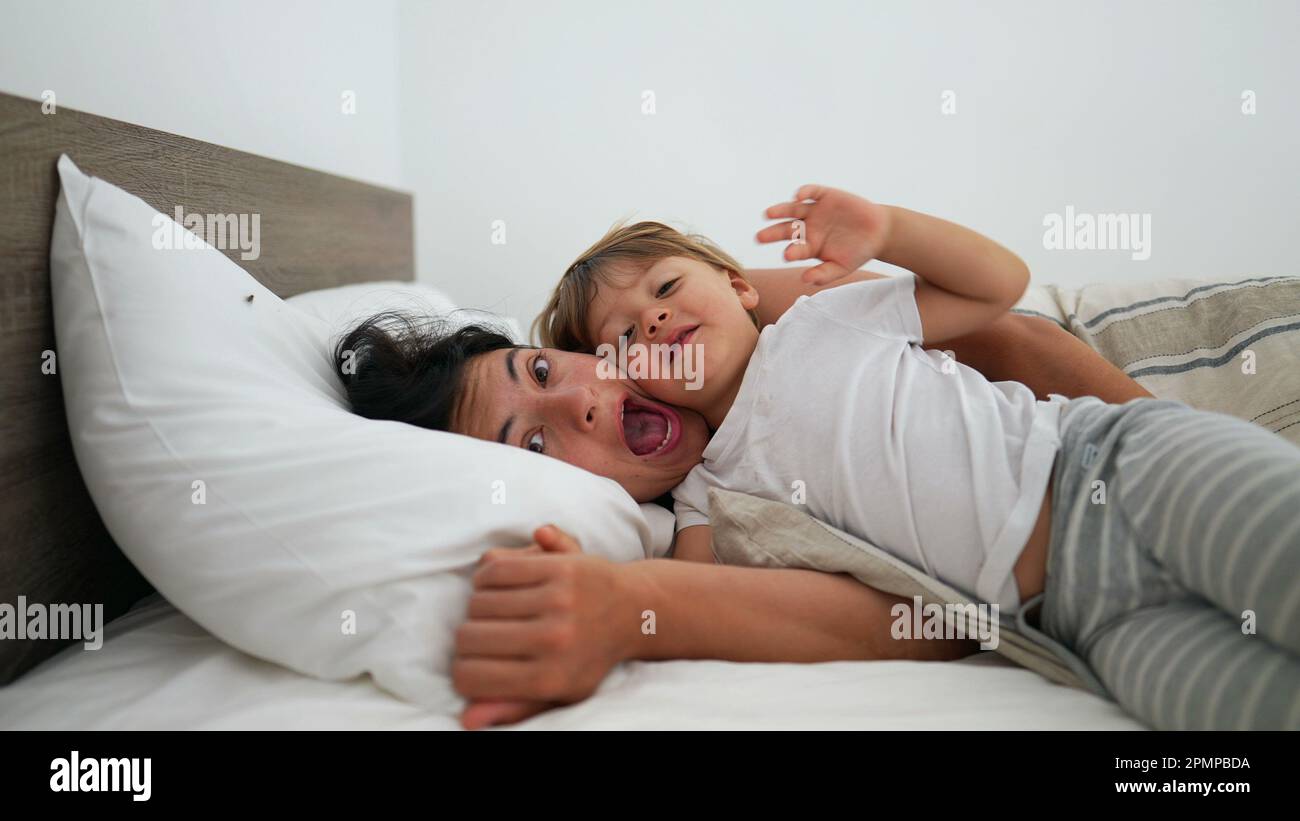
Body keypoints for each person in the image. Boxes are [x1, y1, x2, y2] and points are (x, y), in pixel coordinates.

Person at [525, 184, 1300, 731]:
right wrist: (611, 592)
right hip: (1080, 619)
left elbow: (1001, 286)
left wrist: (890, 229)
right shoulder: (711, 491)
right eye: (625, 336)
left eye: (665, 286)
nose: (653, 319)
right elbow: (696, 598)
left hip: (1120, 468)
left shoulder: (829, 317)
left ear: (741, 286)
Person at [336, 225, 1152, 730]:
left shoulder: (757, 320)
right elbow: (922, 617)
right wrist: (635, 607)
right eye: (536, 452)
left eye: (548, 367)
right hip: (1075, 601)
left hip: (1117, 436)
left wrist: (1163, 439)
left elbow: (1016, 338)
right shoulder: (707, 504)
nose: (584, 402)